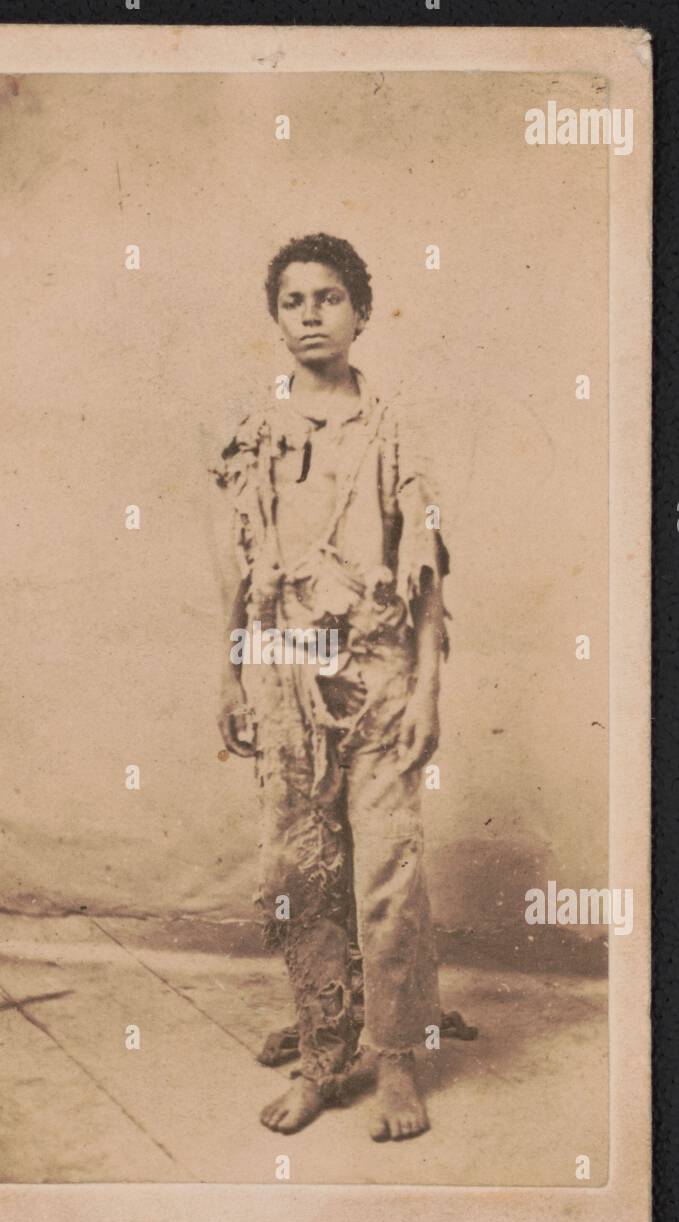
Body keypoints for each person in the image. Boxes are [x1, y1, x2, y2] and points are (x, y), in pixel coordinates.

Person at [209, 232, 449, 1141]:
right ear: (277, 317)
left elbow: (427, 577)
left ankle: (394, 1061)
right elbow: (239, 572)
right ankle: (321, 1051)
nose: (310, 315)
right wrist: (230, 675)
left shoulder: (394, 429)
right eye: (293, 302)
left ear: (361, 311)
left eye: (328, 299)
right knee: (297, 872)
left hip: (379, 678)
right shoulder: (254, 430)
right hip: (280, 678)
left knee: (386, 868)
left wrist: (427, 691)